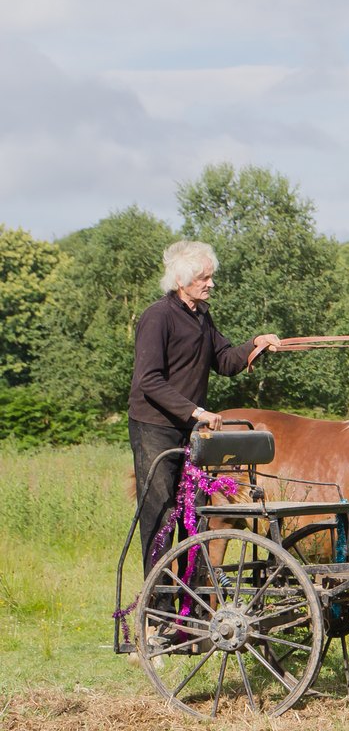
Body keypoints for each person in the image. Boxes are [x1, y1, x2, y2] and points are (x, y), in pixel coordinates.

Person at [128, 240, 281, 573]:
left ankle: (192, 606)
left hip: (189, 429)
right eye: (203, 278)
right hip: (154, 427)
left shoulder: (201, 317)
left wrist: (256, 345)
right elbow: (148, 382)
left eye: (211, 277)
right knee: (163, 514)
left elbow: (225, 361)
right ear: (182, 282)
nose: (211, 284)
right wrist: (197, 412)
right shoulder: (157, 317)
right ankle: (160, 608)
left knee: (194, 512)